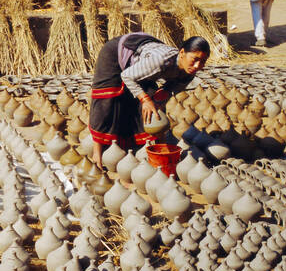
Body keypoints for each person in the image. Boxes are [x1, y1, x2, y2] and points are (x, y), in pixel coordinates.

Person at [89, 33, 210, 169]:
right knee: (107, 99)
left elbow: (172, 87)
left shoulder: (189, 72)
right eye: (195, 59)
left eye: (203, 61)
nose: (197, 65)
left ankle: (152, 148)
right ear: (182, 53)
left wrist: (161, 96)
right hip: (115, 53)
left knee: (152, 104)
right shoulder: (160, 61)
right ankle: (97, 153)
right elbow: (127, 76)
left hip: (140, 63)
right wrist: (145, 100)